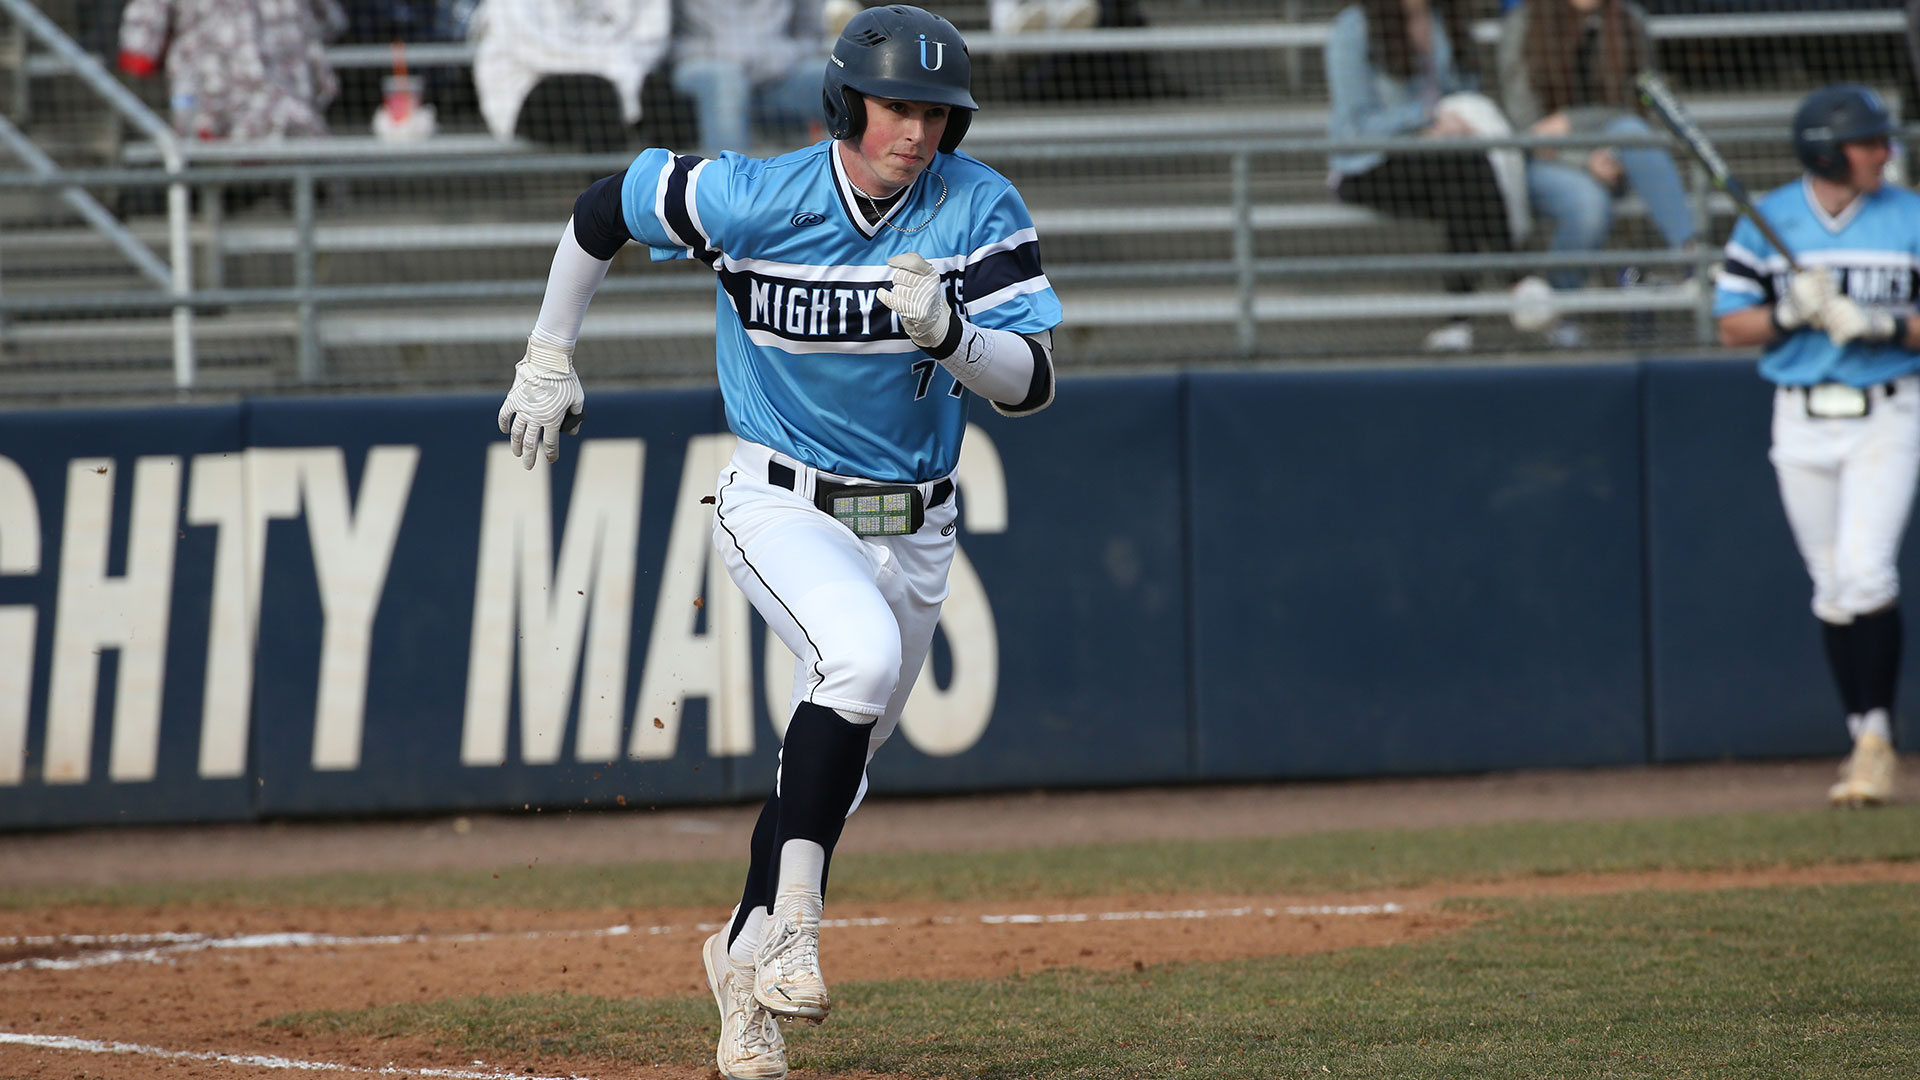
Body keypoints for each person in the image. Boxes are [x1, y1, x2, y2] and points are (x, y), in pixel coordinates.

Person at [494, 6, 1061, 1077]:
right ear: (847, 104)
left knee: (835, 765)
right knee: (857, 660)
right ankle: (798, 924)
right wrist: (547, 352)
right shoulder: (755, 197)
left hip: (916, 524)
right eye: (898, 107)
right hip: (779, 497)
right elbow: (601, 209)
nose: (918, 133)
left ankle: (740, 959)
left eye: (937, 113)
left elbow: (1032, 382)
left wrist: (957, 337)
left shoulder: (978, 206)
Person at [1713, 84, 1919, 808]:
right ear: (1828, 150)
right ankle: (1864, 732)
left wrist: (1884, 326)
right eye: (1869, 143)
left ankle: (1875, 745)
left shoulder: (1909, 216)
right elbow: (1731, 325)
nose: (1883, 152)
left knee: (1867, 572)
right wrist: (1790, 312)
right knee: (1832, 588)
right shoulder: (1769, 220)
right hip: (1800, 417)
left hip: (1886, 412)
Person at [1325, 0, 1534, 352]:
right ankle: (1516, 280)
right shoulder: (1353, 28)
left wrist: (1447, 124)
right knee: (1465, 170)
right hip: (1368, 164)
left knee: (1462, 186)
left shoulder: (1445, 19)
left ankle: (1459, 325)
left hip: (1442, 159)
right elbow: (1353, 128)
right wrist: (1424, 120)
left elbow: (1464, 91)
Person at [1499, 0, 1698, 346]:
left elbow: (1642, 106)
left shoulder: (1627, 20)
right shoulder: (1524, 23)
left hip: (1616, 153)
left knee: (1634, 134)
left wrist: (1580, 130)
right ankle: (1560, 307)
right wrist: (1583, 158)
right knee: (1588, 203)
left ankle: (1692, 260)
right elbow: (1527, 129)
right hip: (1543, 163)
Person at [117, 0, 347, 140]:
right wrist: (139, 54)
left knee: (299, 133)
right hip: (209, 95)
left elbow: (331, 21)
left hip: (283, 92)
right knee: (203, 134)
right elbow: (144, 23)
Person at [670, 0, 828, 157]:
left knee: (830, 77)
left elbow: (812, 35)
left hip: (780, 72)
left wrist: (784, 54)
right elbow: (662, 35)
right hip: (704, 64)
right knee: (726, 82)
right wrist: (729, 55)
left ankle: (841, 177)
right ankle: (729, 179)